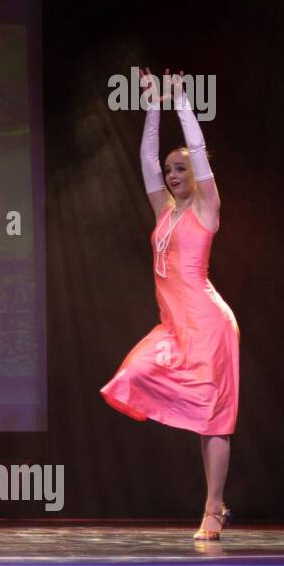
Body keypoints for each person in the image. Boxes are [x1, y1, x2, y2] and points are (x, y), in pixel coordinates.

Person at [101, 68, 239, 540]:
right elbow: (145, 157)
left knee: (214, 418)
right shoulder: (164, 209)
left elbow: (198, 153)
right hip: (173, 326)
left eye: (180, 170)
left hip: (207, 323)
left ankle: (213, 509)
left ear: (196, 177)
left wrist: (182, 100)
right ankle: (214, 505)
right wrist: (154, 103)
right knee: (133, 374)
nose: (173, 175)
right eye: (169, 170)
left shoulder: (206, 206)